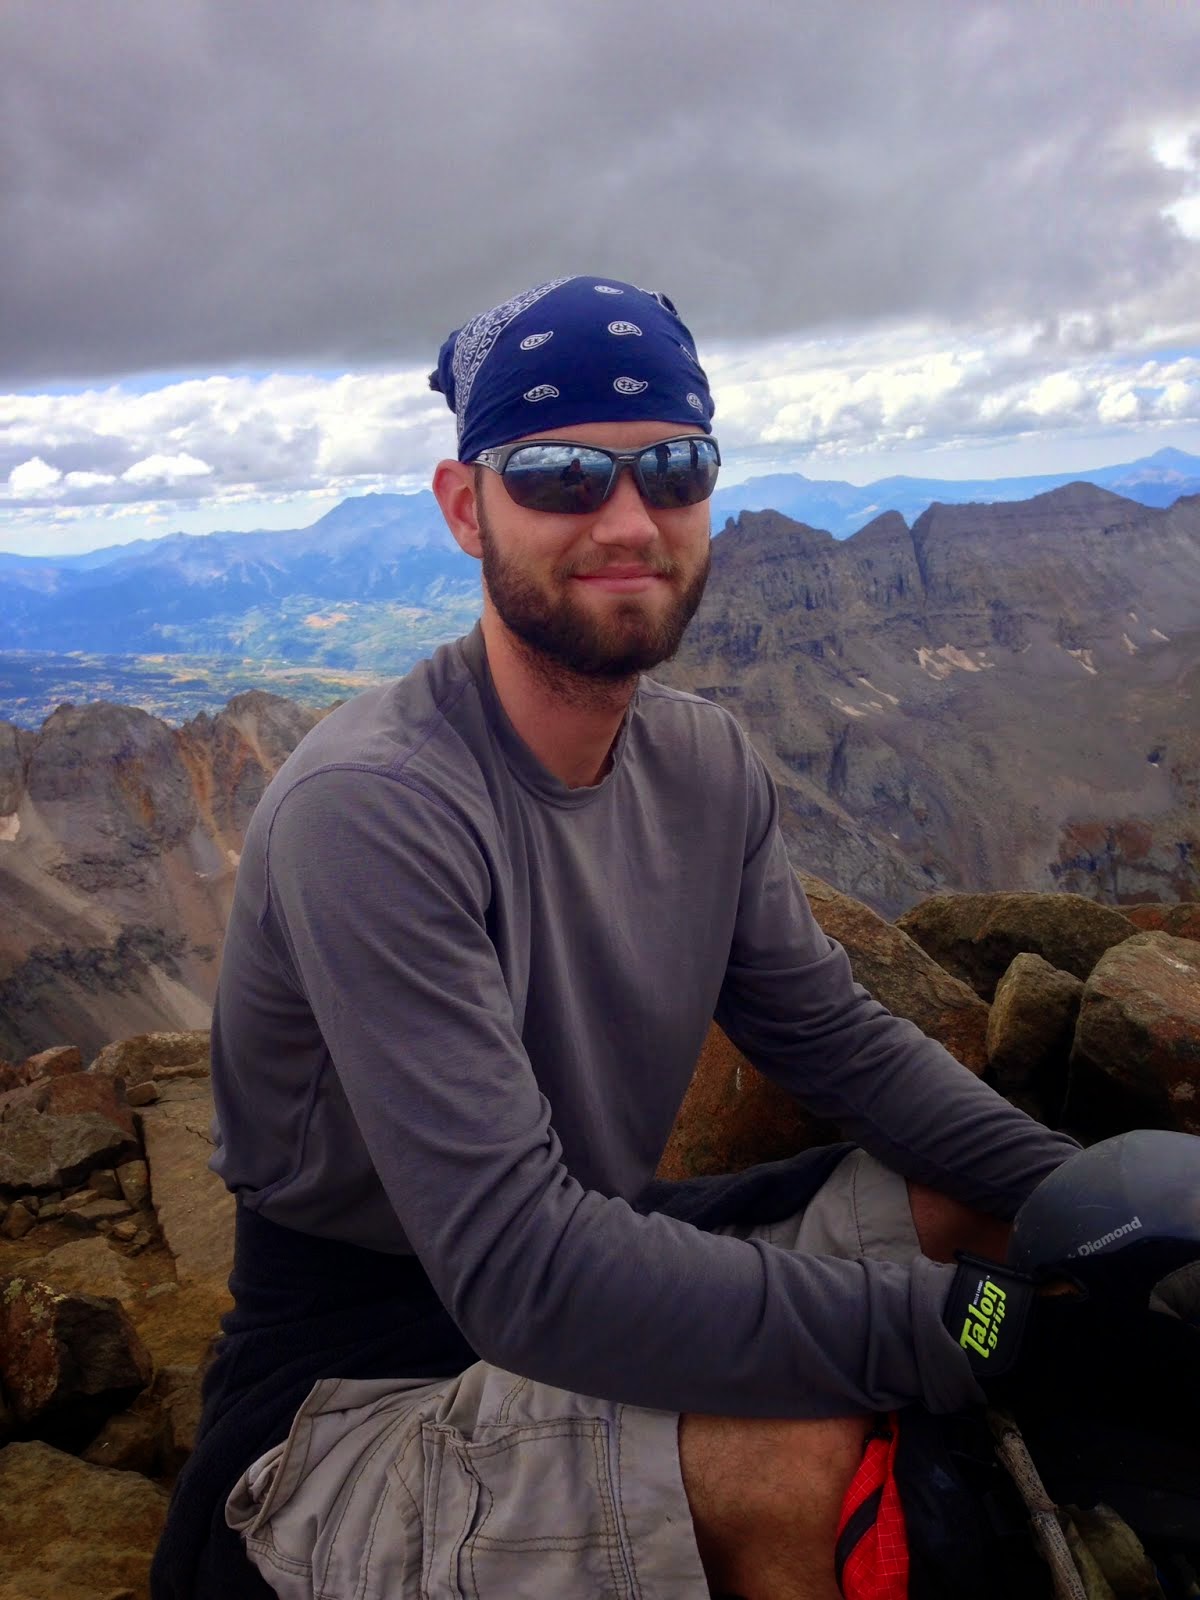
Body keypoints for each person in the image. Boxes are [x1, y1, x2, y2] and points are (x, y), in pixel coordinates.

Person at [151, 277, 1081, 1600]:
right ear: (466, 507)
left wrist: (1084, 1197)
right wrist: (965, 1334)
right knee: (799, 1465)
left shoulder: (706, 764)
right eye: (562, 474)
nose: (630, 520)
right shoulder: (374, 807)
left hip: (602, 1246)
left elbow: (836, 1041)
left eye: (675, 468)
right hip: (355, 1383)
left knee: (989, 1215)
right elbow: (520, 1269)